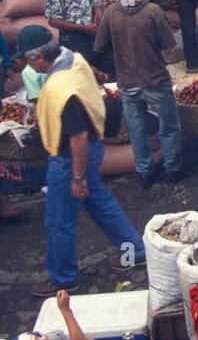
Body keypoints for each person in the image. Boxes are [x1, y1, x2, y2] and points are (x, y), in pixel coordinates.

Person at [12, 29, 146, 295]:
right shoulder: (73, 58)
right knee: (99, 203)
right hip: (92, 148)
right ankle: (135, 251)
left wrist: (76, 176)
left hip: (70, 158)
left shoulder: (60, 89)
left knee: (59, 221)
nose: (27, 66)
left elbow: (78, 136)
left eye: (28, 60)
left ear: (39, 57)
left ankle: (62, 279)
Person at [93, 0, 184, 187]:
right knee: (169, 127)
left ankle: (145, 173)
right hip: (155, 79)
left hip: (127, 82)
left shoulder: (111, 13)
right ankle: (172, 169)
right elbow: (168, 43)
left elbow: (100, 45)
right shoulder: (153, 11)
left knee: (137, 130)